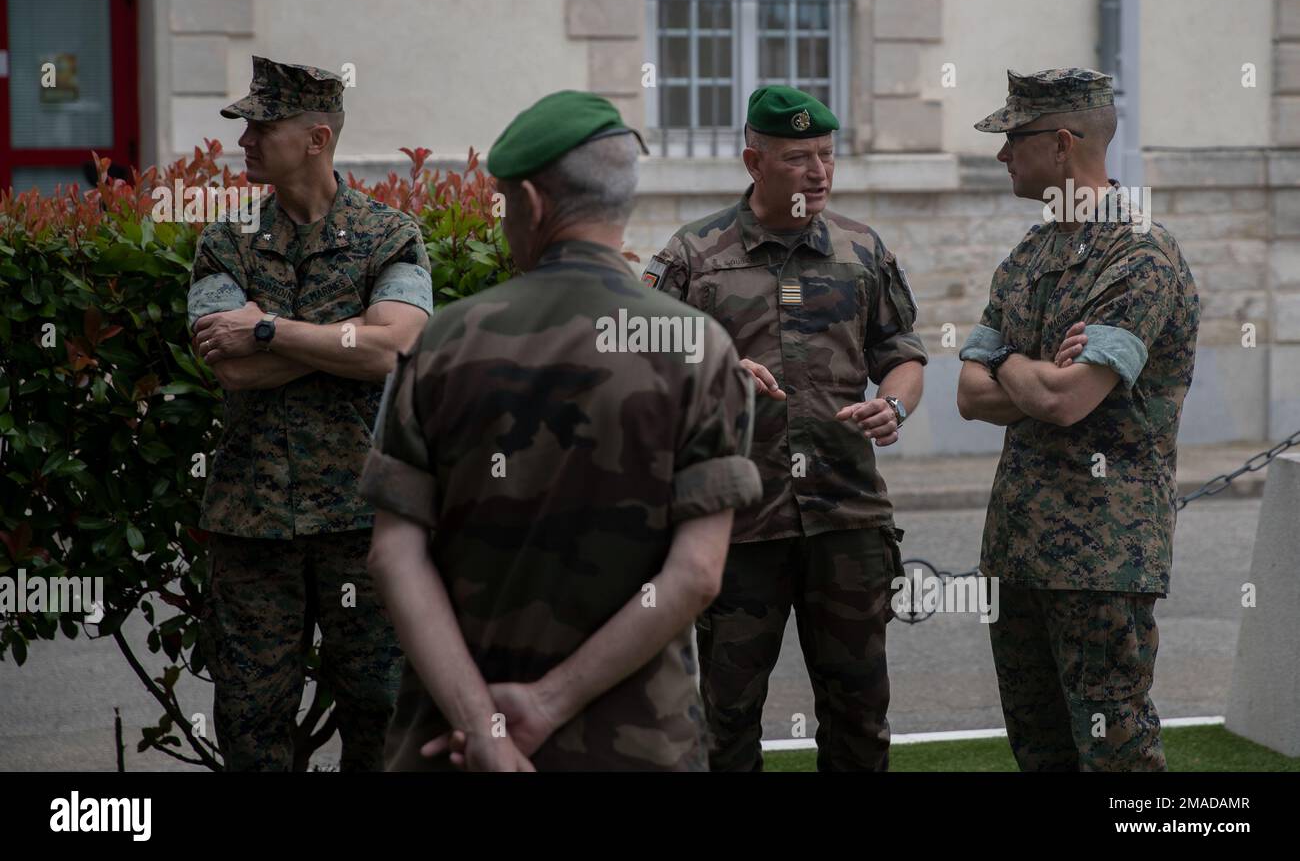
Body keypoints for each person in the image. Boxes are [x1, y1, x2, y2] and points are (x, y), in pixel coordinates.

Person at [360, 90, 762, 771]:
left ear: (533, 203)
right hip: (637, 744)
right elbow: (695, 574)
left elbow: (394, 557)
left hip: (455, 746)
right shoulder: (698, 347)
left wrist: (484, 727)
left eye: (505, 205)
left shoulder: (445, 341)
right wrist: (545, 705)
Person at [643, 85, 928, 771]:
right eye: (799, 157)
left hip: (848, 516)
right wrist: (716, 372)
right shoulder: (695, 257)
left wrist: (894, 405)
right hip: (738, 524)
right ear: (754, 161)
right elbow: (640, 373)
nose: (819, 172)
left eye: (827, 156)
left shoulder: (862, 252)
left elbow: (904, 355)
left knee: (860, 716)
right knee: (726, 721)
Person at [187, 55, 432, 770]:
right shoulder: (224, 242)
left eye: (262, 127)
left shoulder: (392, 235)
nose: (245, 142)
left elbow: (396, 350)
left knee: (379, 710)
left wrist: (269, 326)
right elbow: (227, 364)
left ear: (317, 138)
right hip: (252, 526)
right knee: (250, 716)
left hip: (364, 524)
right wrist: (345, 332)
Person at [957, 67, 1200, 771]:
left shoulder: (1139, 254)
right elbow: (969, 396)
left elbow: (1067, 401)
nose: (1002, 154)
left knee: (1116, 755)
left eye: (1015, 138)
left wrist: (1005, 359)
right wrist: (1029, 368)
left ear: (1062, 144)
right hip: (1018, 549)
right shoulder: (1029, 255)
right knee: (1042, 753)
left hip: (1101, 557)